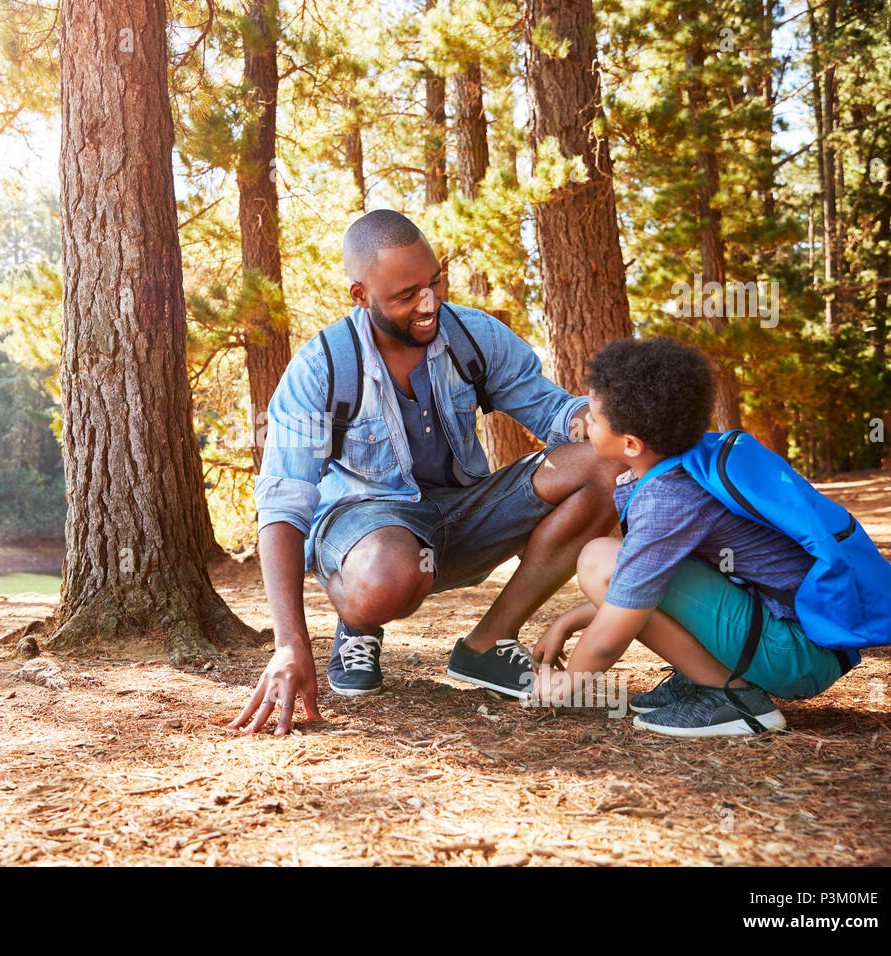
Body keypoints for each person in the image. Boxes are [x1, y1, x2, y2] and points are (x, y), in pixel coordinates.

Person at [230, 209, 625, 735]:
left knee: (606, 460)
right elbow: (283, 505)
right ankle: (358, 622)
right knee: (387, 575)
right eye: (406, 294)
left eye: (434, 281)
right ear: (360, 295)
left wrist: (596, 420)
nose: (429, 303)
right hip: (367, 528)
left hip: (461, 514)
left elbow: (551, 411)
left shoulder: (474, 336)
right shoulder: (322, 367)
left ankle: (487, 644)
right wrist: (289, 645)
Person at [532, 336, 853, 737]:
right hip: (793, 640)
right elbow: (651, 582)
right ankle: (706, 674)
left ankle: (733, 698)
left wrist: (566, 685)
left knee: (600, 561)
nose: (585, 424)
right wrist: (569, 620)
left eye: (593, 418)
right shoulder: (683, 463)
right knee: (610, 563)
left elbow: (617, 621)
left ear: (631, 443)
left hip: (796, 654)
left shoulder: (668, 497)